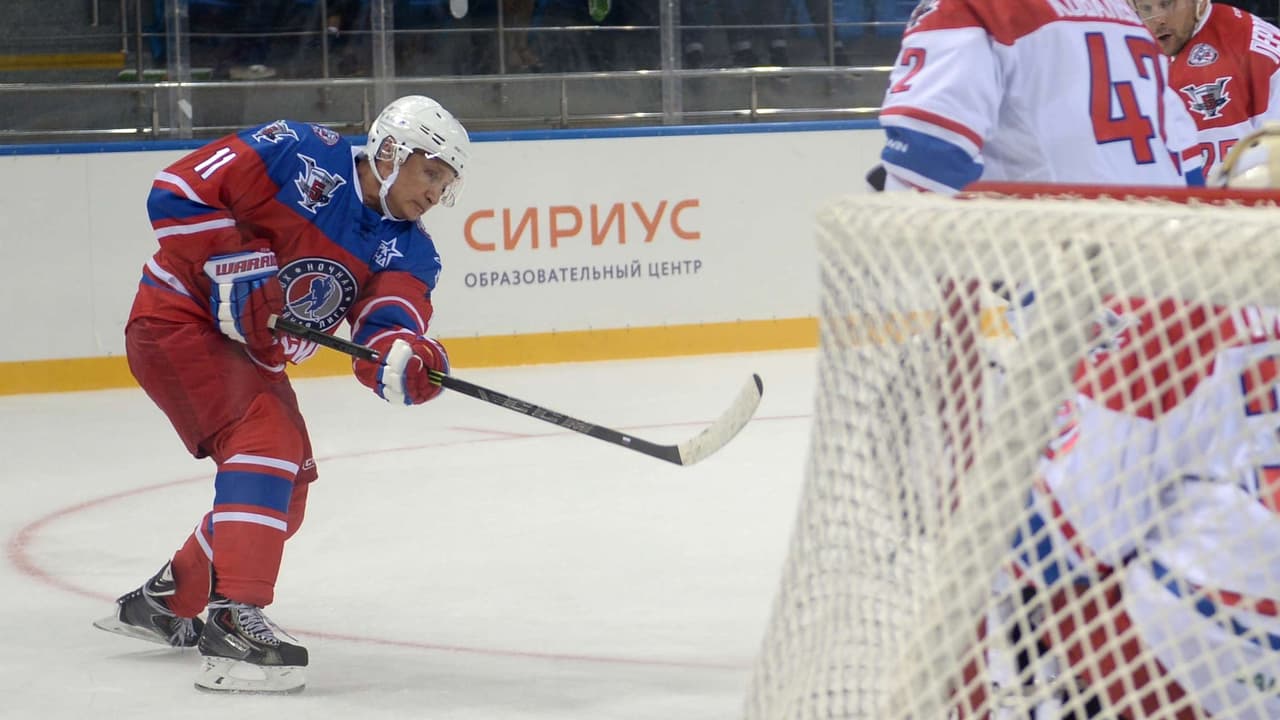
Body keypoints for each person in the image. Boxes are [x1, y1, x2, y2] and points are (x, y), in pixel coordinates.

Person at [92, 95, 469, 694]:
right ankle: (232, 627)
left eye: (445, 185)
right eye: (431, 174)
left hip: (246, 354)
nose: (434, 195)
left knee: (287, 489)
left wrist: (404, 359)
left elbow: (387, 323)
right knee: (265, 441)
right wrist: (238, 266)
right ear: (393, 151)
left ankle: (166, 603)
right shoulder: (297, 150)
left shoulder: (412, 247)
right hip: (177, 318)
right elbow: (176, 189)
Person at [874, 0, 1204, 193]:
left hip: (1076, 287)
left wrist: (1018, 281)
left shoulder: (969, 9)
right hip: (1169, 275)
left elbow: (926, 154)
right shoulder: (1123, 13)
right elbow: (1189, 166)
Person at [1132, 0, 1280, 179]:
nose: (1158, 20)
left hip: (1243, 203)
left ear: (1200, 3)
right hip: (1167, 203)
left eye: (1167, 4)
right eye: (1146, 8)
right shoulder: (1128, 50)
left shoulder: (1258, 51)